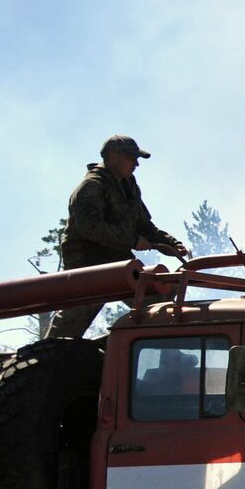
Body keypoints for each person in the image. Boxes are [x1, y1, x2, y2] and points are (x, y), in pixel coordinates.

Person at [48, 136, 189, 339]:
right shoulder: (91, 186)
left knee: (154, 301)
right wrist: (132, 241)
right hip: (87, 260)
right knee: (77, 314)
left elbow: (143, 224)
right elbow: (91, 228)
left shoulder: (129, 185)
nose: (137, 164)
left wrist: (170, 243)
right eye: (132, 158)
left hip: (117, 257)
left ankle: (165, 348)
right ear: (113, 156)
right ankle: (43, 356)